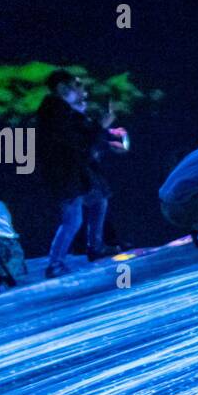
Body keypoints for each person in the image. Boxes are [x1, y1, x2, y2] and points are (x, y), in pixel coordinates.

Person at [36, 69, 124, 279]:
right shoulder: (55, 112)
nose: (81, 90)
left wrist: (104, 134)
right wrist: (102, 126)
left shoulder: (61, 111)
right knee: (72, 219)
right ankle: (55, 264)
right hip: (65, 173)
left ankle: (96, 246)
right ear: (62, 89)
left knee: (99, 199)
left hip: (73, 171)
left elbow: (83, 137)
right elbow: (77, 141)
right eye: (76, 85)